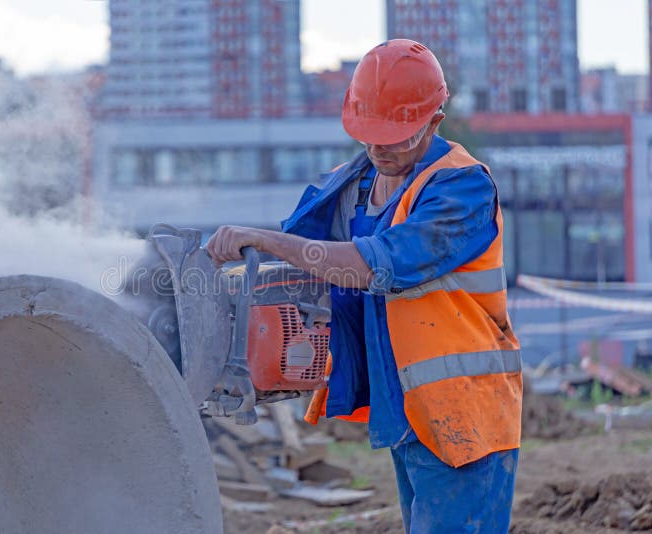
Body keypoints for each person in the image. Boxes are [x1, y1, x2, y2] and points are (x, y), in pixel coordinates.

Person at [206, 39, 522, 533]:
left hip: (464, 411)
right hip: (407, 410)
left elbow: (377, 265)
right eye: (369, 134)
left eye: (395, 135)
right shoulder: (351, 184)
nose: (378, 148)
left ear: (434, 120)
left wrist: (265, 240)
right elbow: (302, 270)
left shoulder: (462, 188)